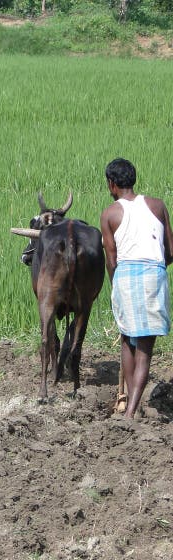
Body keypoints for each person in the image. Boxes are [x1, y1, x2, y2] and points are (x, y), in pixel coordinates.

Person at [101, 158, 173, 419]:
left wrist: (116, 288)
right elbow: (171, 251)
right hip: (154, 274)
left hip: (125, 277)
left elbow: (111, 261)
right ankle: (133, 408)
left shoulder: (110, 214)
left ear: (111, 184)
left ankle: (130, 411)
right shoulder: (157, 205)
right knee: (144, 348)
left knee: (127, 342)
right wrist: (154, 268)